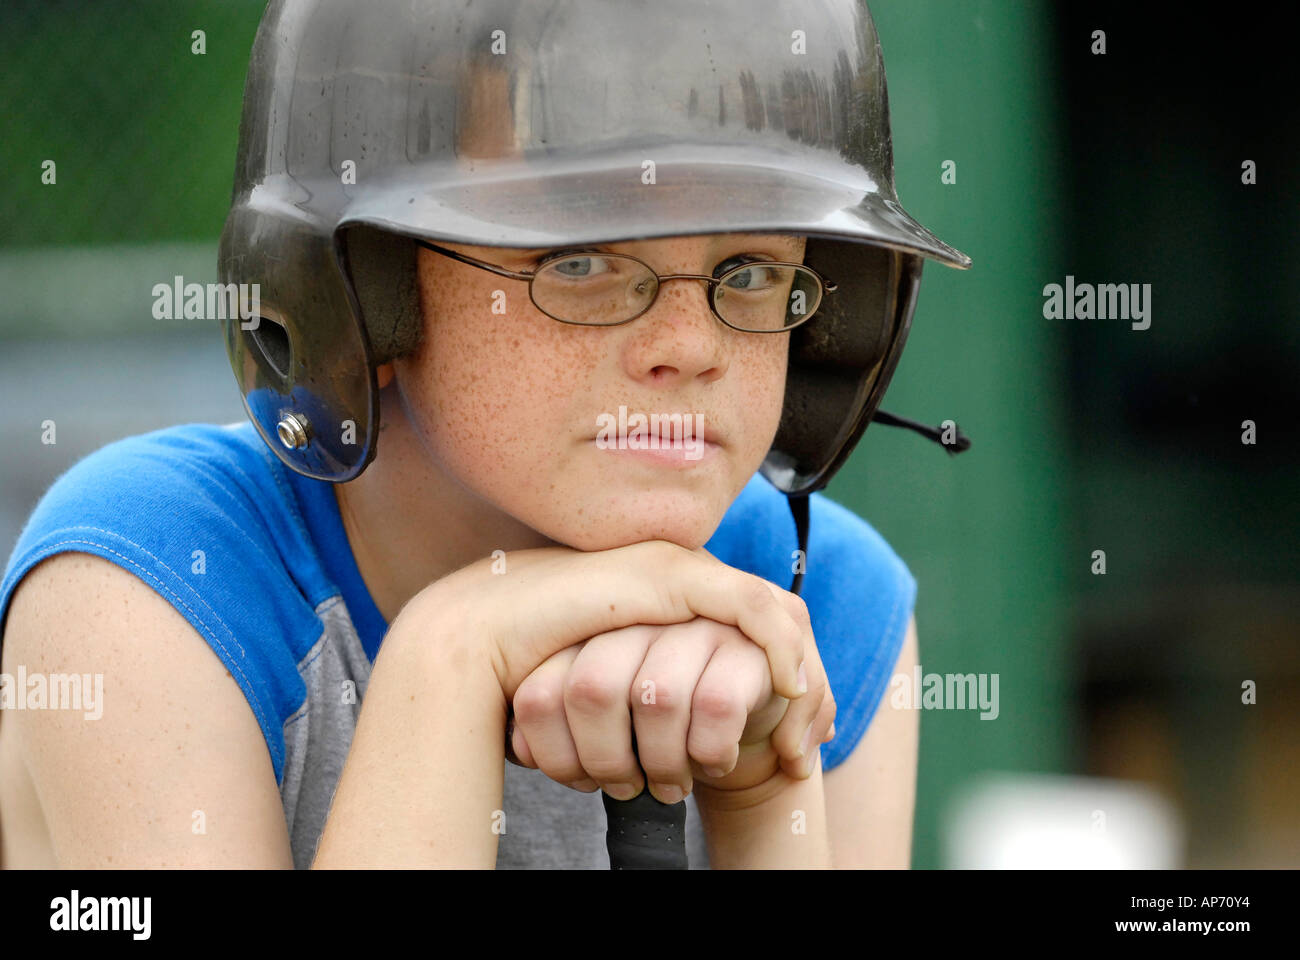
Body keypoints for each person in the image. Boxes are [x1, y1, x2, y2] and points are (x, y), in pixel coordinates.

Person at [0, 0, 969, 869]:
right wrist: (453, 657)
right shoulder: (161, 573)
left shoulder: (817, 591)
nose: (693, 344)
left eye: (753, 269)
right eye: (583, 260)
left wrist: (760, 798)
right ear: (363, 298)